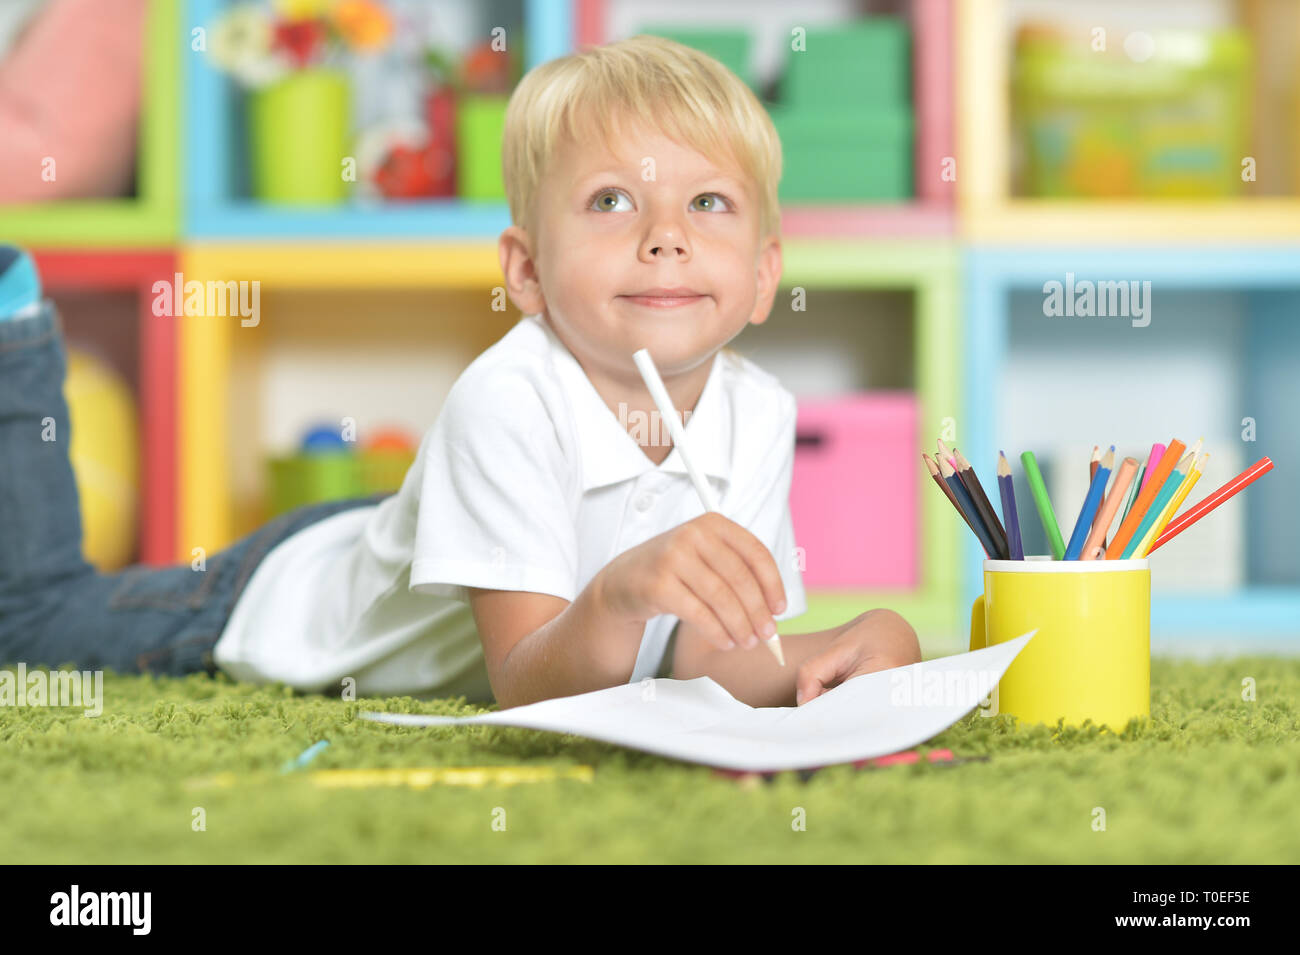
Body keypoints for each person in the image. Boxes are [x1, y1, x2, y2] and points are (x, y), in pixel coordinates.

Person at [0, 36, 918, 710]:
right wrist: (621, 592)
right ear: (525, 271)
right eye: (612, 200)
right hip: (283, 601)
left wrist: (854, 643)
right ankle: (15, 326)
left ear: (764, 276)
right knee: (35, 625)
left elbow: (713, 663)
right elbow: (525, 686)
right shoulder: (507, 400)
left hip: (416, 540)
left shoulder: (758, 414)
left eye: (708, 202)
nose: (666, 234)